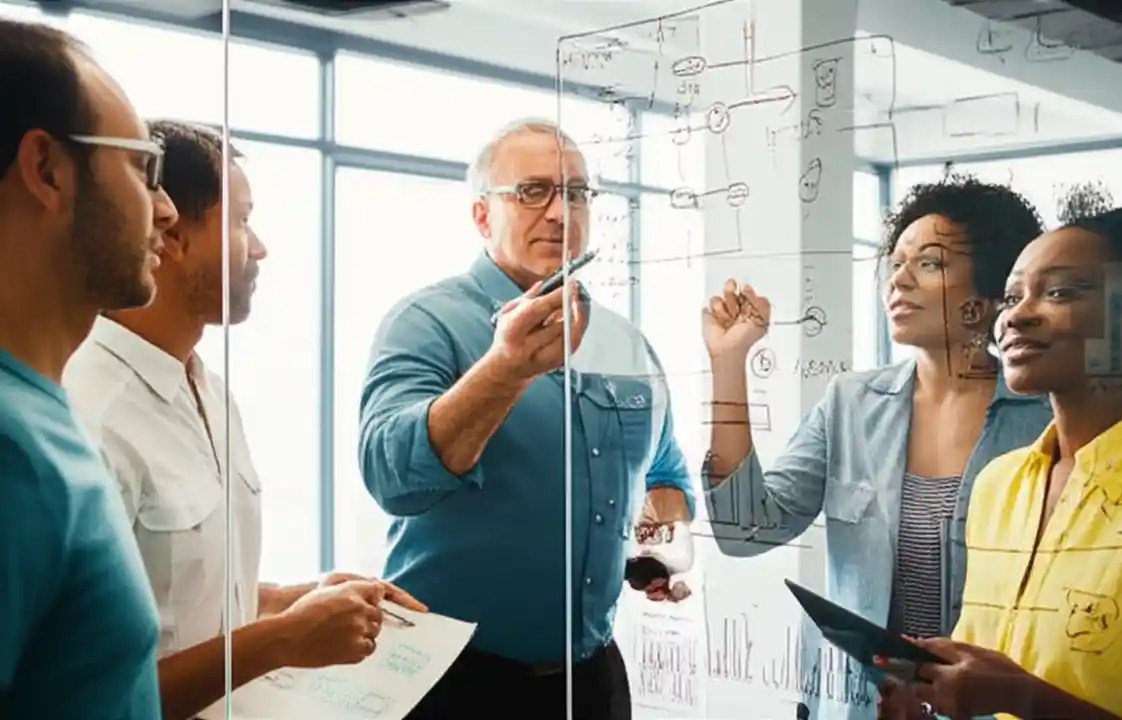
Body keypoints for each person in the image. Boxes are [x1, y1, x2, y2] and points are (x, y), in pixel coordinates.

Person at [62, 119, 426, 720]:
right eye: (240, 220)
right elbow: (85, 692)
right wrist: (282, 641)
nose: (258, 247)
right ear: (170, 230)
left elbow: (176, 597)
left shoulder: (208, 389)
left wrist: (296, 601)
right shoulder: (89, 413)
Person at [359, 117, 695, 719]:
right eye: (534, 192)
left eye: (577, 193)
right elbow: (392, 476)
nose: (561, 214)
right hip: (455, 681)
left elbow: (665, 472)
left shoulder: (626, 342)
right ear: (482, 215)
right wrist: (505, 369)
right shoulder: (427, 323)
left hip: (592, 678)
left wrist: (660, 550)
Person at [882, 208, 1122, 720]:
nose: (1016, 316)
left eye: (1061, 292)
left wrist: (1024, 698)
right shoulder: (998, 485)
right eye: (1012, 296)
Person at [701, 175, 1053, 719]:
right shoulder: (851, 404)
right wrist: (729, 363)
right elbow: (744, 531)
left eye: (929, 264)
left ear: (986, 297)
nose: (899, 280)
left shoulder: (1044, 421)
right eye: (896, 264)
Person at [0, 18, 176, 719]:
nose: (163, 211)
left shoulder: (41, 411)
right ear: (46, 170)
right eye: (143, 167)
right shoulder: (10, 451)